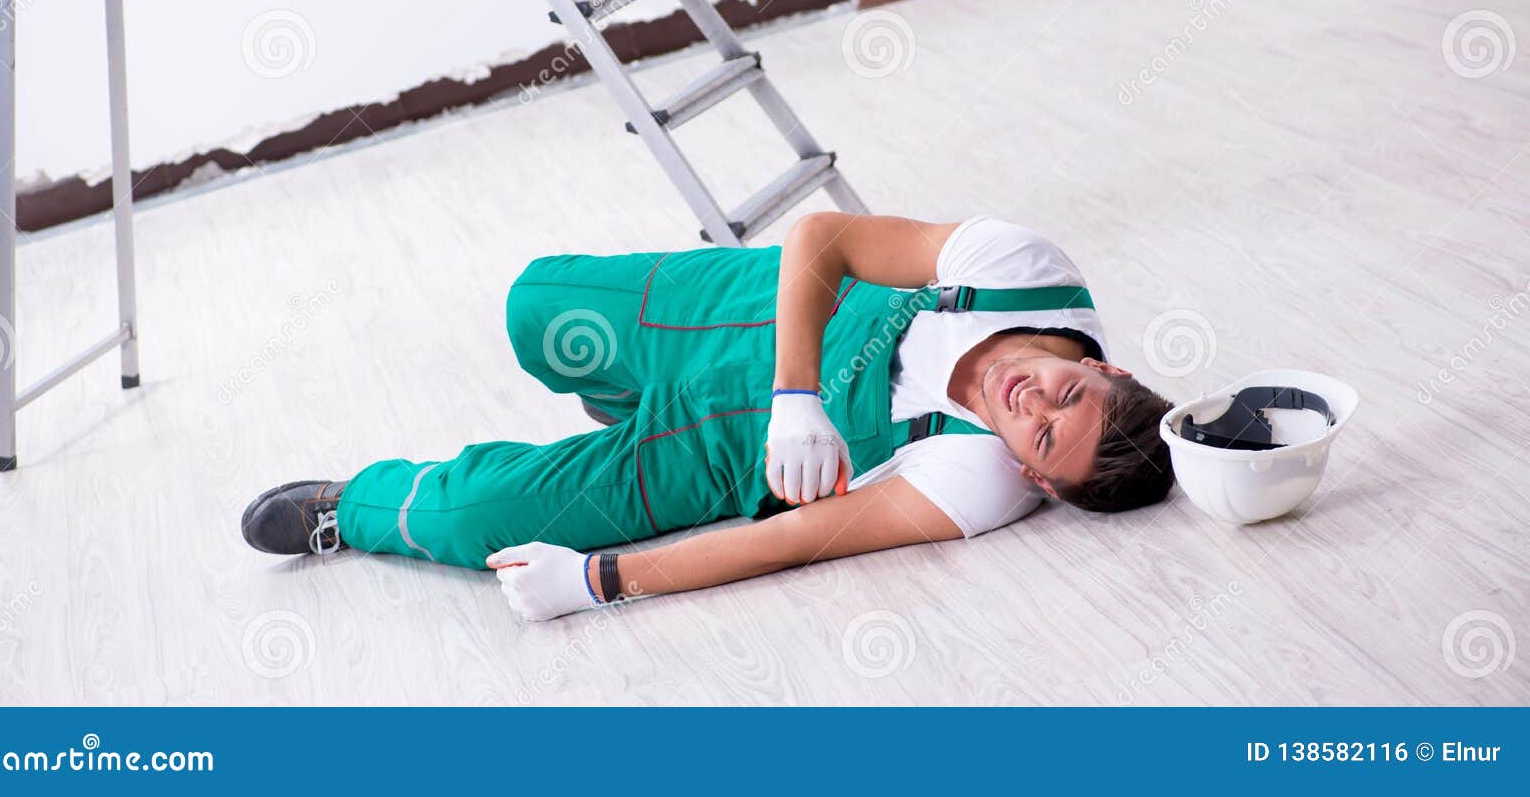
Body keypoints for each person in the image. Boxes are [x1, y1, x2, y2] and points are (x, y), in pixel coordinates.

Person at [241, 213, 1175, 620]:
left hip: (720, 457)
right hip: (766, 314)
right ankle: (622, 403)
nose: (1035, 400)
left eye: (1046, 435)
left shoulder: (975, 484)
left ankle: (350, 508)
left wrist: (601, 580)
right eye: (1073, 391)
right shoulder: (1024, 272)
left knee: (467, 520)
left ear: (1035, 477)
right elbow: (825, 237)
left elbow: (795, 542)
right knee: (539, 307)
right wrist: (797, 396)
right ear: (1106, 365)